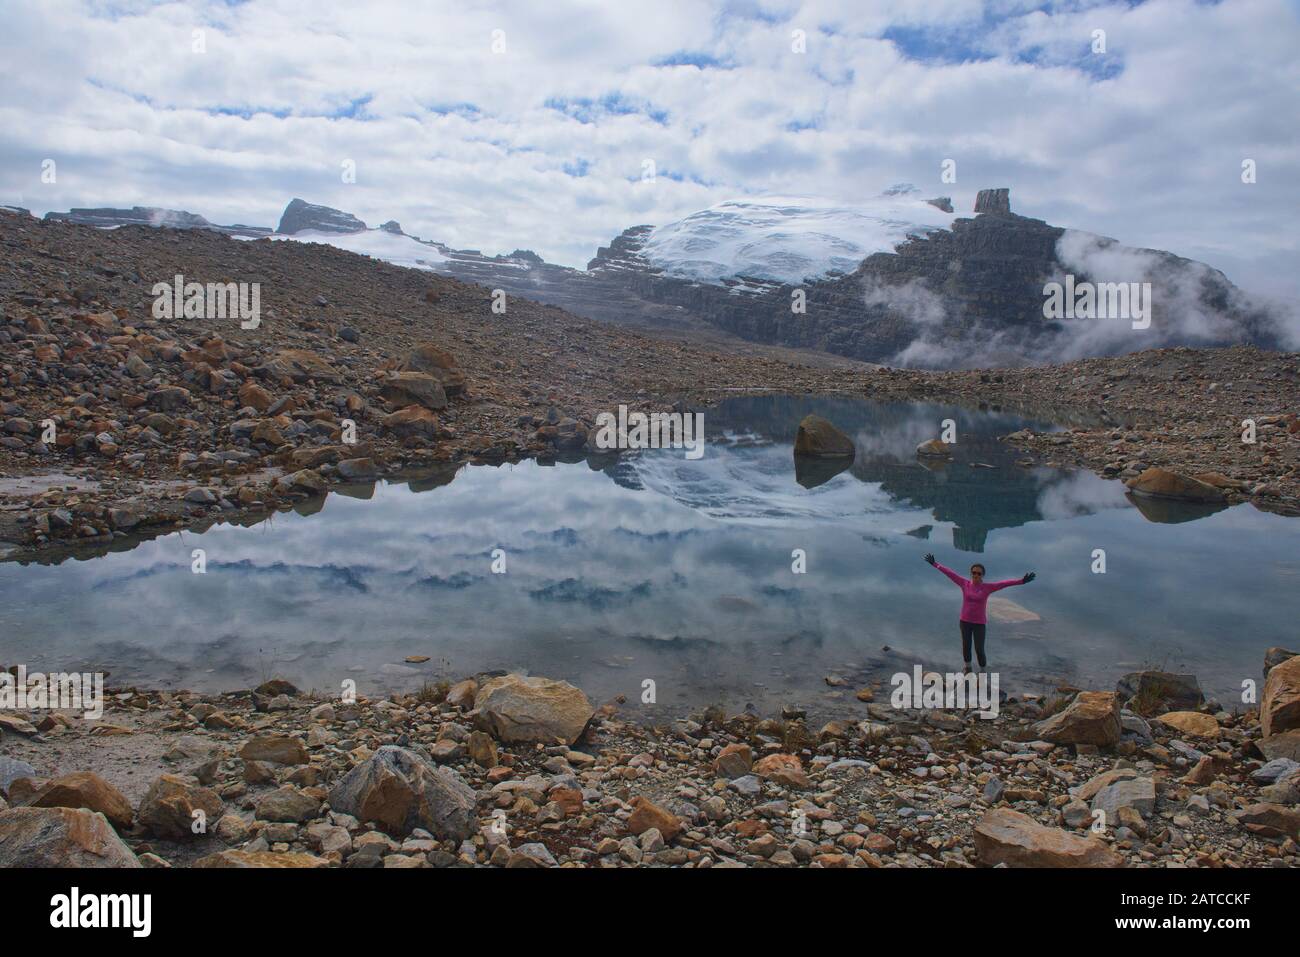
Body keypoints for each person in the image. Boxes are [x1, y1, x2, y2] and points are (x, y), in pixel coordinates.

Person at [924, 553, 1035, 674]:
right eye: (974, 572)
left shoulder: (988, 587)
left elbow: (1004, 583)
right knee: (966, 647)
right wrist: (935, 564)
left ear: (983, 575)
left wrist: (1022, 581)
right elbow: (950, 574)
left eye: (979, 573)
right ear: (971, 573)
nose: (976, 575)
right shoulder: (964, 583)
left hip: (979, 624)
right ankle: (968, 668)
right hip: (964, 621)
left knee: (979, 649)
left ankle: (982, 671)